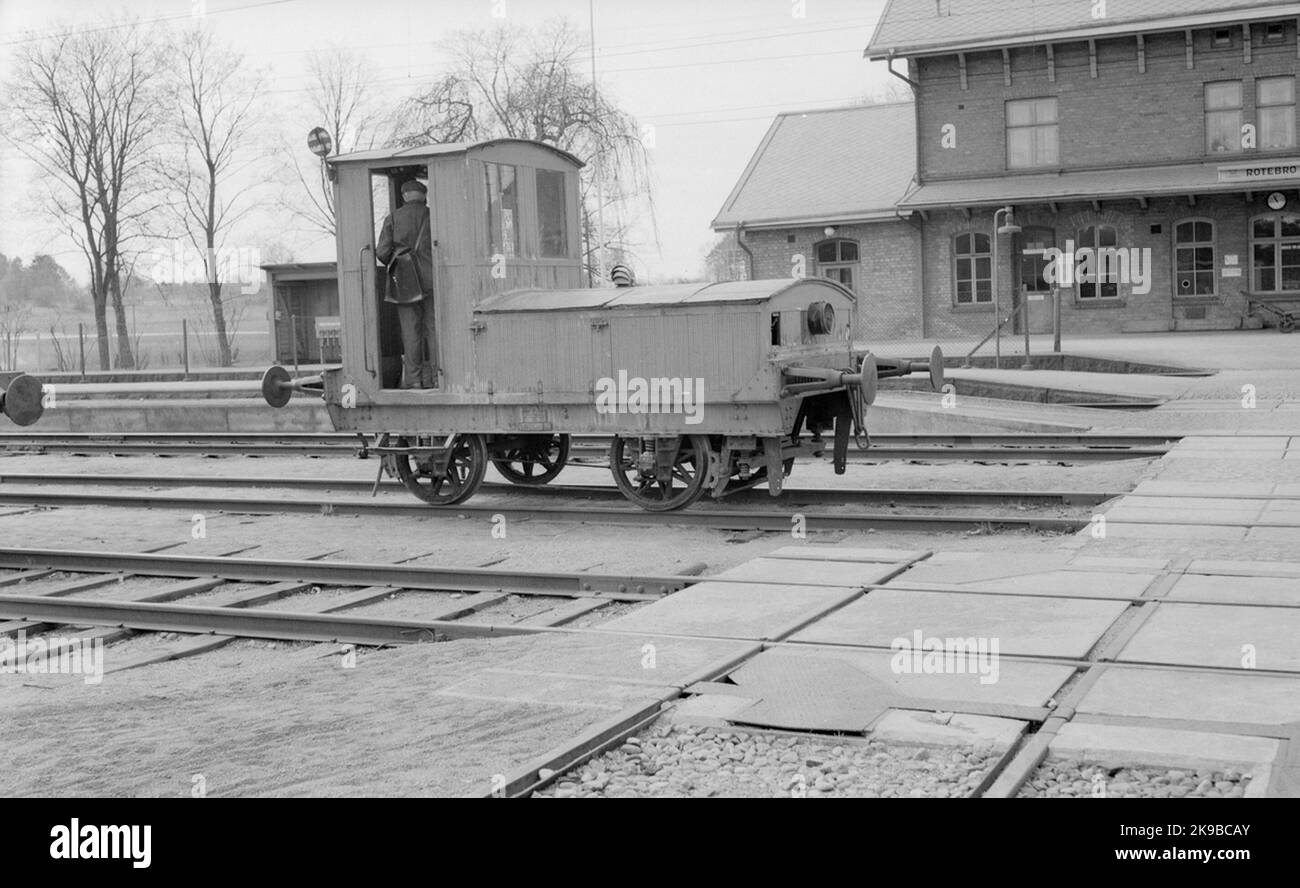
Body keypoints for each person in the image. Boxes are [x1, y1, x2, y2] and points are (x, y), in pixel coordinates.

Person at [376, 180, 436, 389]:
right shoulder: (434, 216)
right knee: (434, 329)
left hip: (405, 281)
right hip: (432, 279)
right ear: (424, 195)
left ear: (404, 195)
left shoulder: (393, 218)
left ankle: (413, 380)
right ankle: (438, 376)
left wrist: (398, 257)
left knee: (411, 332)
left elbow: (382, 252)